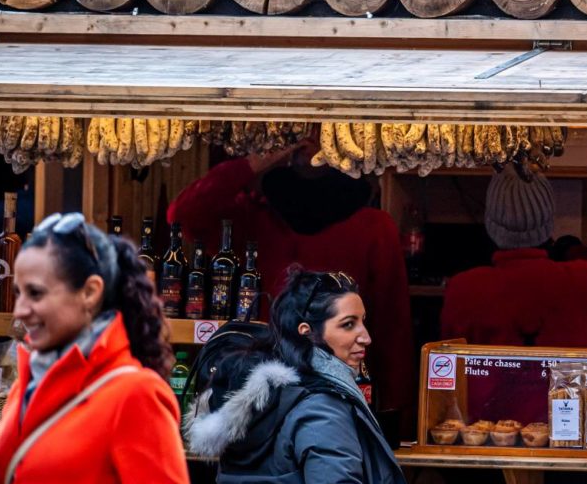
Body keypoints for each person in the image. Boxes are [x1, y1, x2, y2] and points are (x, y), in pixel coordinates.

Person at [0, 212, 196, 484]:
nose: (19, 310)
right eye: (19, 293)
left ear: (90, 292)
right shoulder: (28, 384)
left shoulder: (135, 394)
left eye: (35, 294)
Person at [169, 141, 414, 414]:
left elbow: (392, 329)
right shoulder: (253, 216)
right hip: (257, 388)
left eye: (319, 131)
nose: (309, 140)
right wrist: (253, 163)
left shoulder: (374, 227)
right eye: (301, 131)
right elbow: (181, 216)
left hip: (340, 393)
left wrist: (393, 415)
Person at [187, 268, 423, 484]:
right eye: (348, 324)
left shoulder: (267, 399)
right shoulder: (321, 408)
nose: (366, 337)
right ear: (307, 333)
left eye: (363, 321)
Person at [440, 168, 587, 347]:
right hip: (566, 383)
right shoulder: (586, 279)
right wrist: (577, 251)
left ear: (491, 224)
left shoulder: (463, 289)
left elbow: (449, 362)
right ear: (548, 223)